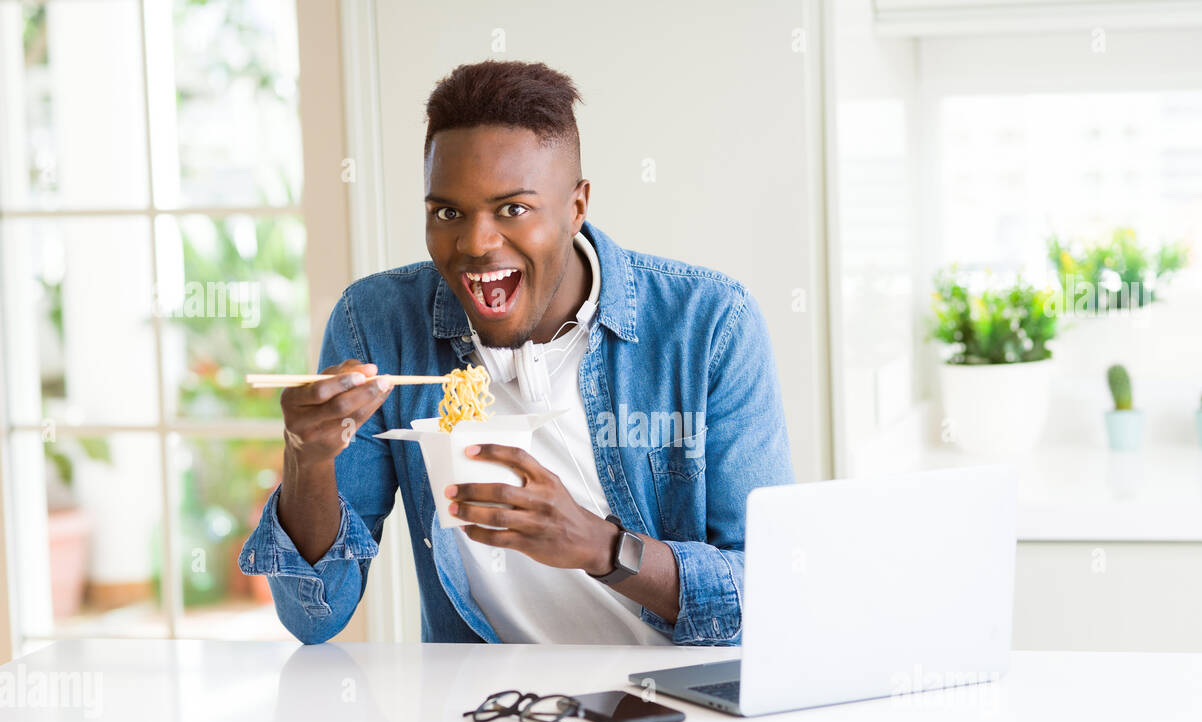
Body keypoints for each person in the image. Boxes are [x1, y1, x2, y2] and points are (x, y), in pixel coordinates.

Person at [239, 59, 793, 645]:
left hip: (674, 708)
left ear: (577, 207)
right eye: (448, 212)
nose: (476, 243)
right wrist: (307, 458)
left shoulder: (710, 324)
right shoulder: (376, 323)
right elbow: (315, 615)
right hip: (486, 713)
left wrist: (601, 547)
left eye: (513, 209)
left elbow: (769, 595)